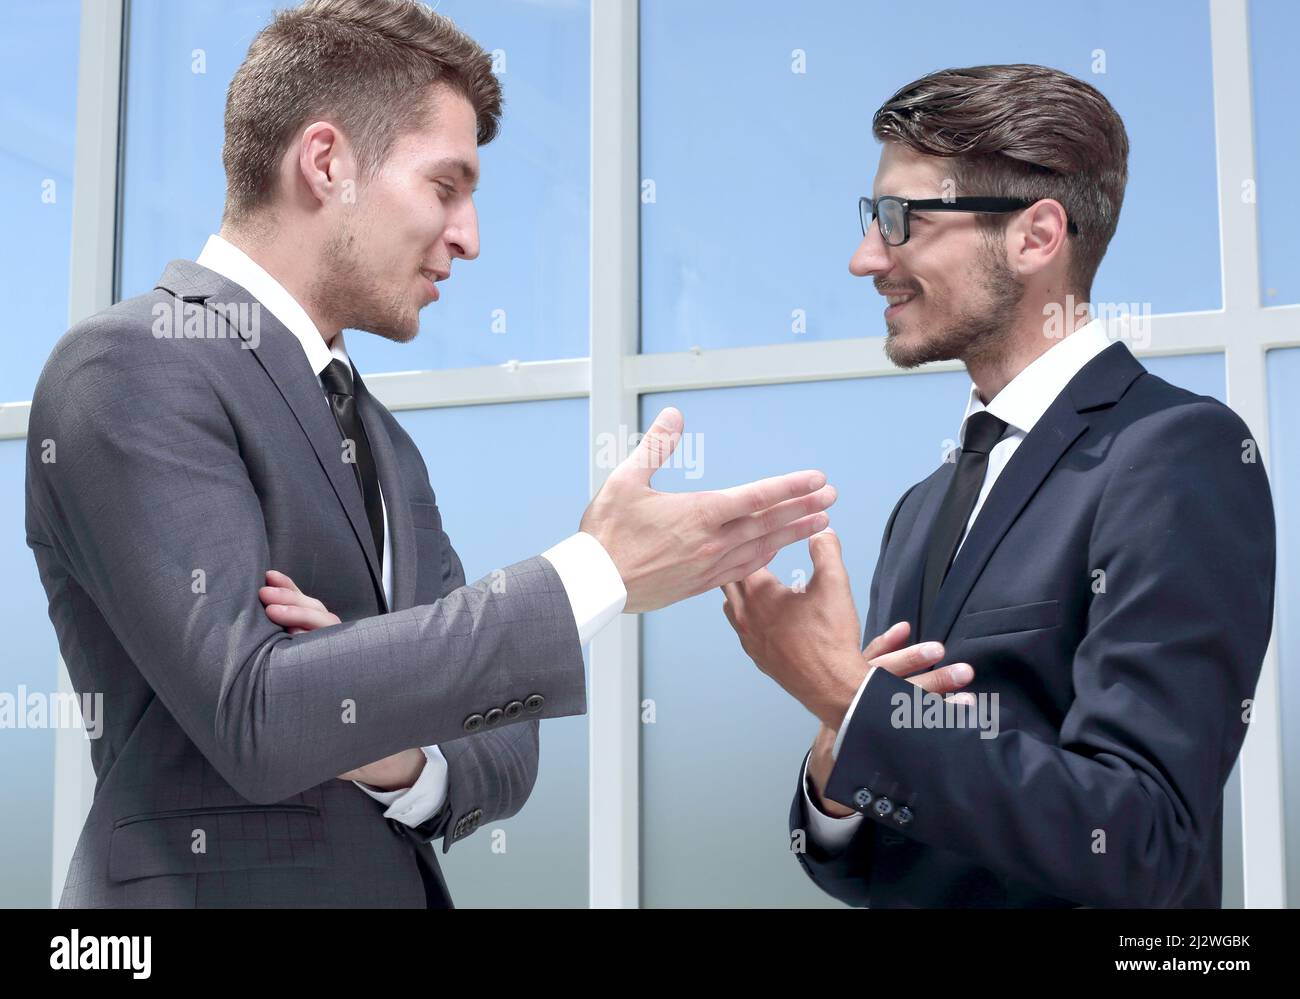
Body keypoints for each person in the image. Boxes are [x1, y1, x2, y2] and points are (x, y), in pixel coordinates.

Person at [24, 0, 841, 908]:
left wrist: (377, 731)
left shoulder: (384, 439)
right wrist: (592, 571)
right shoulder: (134, 364)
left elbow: (503, 754)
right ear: (326, 163)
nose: (470, 237)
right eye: (445, 187)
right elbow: (257, 714)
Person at [720, 64, 1276, 908]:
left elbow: (1144, 839)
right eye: (873, 219)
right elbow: (874, 862)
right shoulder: (920, 510)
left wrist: (846, 692)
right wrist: (836, 768)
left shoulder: (1176, 454)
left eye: (900, 220)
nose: (866, 257)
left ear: (1035, 237)